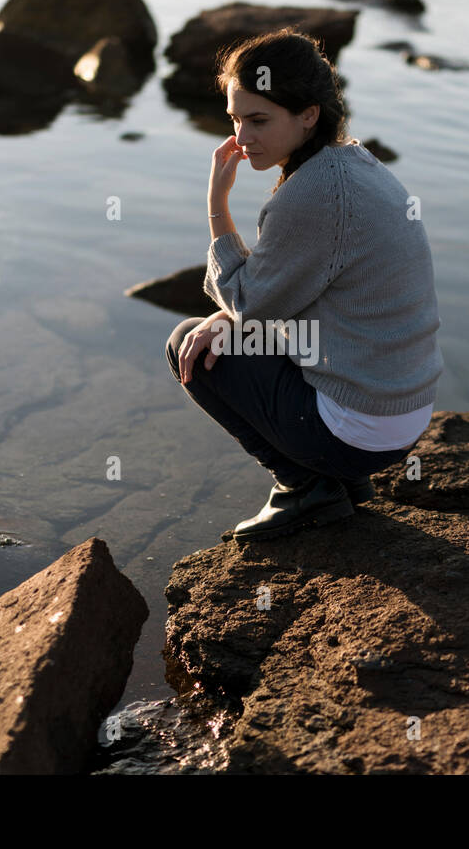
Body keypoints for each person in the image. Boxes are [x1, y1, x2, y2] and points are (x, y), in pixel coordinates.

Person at [164, 28, 443, 542]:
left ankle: (304, 487)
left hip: (362, 429)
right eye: (235, 119)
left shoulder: (312, 194)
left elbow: (250, 304)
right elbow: (289, 295)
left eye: (259, 120)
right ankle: (340, 484)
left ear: (309, 114)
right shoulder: (354, 163)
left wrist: (216, 205)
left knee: (187, 343)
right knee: (220, 330)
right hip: (401, 411)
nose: (242, 138)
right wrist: (232, 316)